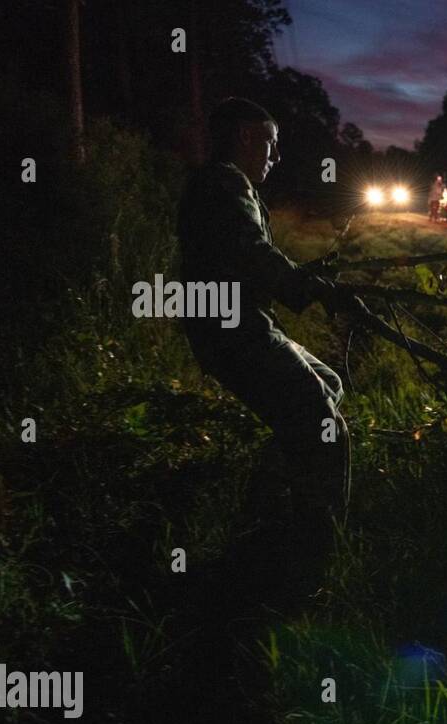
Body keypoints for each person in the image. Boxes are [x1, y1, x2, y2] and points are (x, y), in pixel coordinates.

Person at [177, 97, 365, 595]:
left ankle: (266, 507)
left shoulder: (224, 185)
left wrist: (305, 278)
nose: (274, 156)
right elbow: (252, 253)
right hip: (230, 331)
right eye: (269, 143)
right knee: (326, 426)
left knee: (326, 382)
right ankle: (312, 566)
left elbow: (251, 257)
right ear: (244, 137)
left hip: (239, 323)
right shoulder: (223, 184)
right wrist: (303, 287)